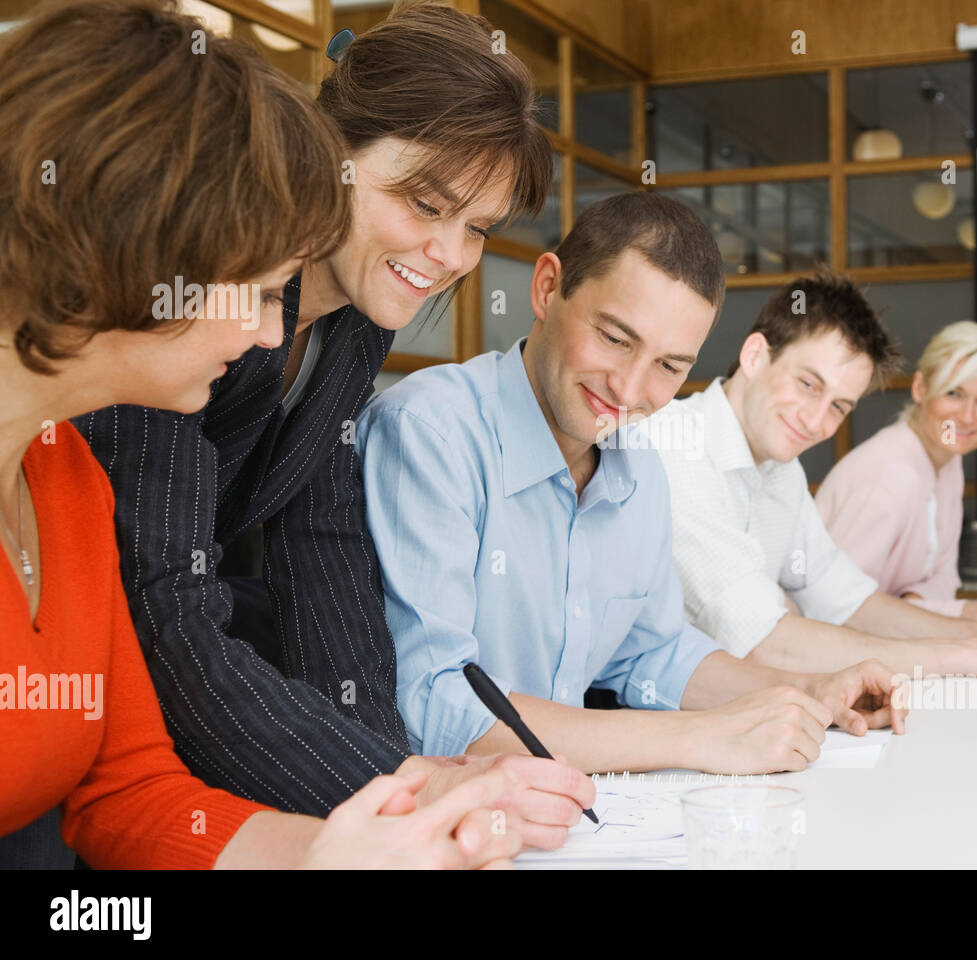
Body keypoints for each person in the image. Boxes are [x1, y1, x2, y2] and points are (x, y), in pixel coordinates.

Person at [0, 0, 579, 869]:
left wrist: (400, 797)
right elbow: (168, 607)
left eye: (479, 228)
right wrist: (400, 791)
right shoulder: (157, 344)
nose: (453, 255)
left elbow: (327, 558)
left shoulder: (69, 478)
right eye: (424, 202)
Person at [356, 194, 907, 776]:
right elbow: (434, 709)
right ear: (546, 289)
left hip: (561, 814)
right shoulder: (430, 433)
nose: (628, 388)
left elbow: (656, 653)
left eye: (670, 366)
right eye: (616, 338)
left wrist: (808, 691)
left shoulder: (640, 470)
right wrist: (699, 738)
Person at [651, 276, 977, 677]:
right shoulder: (677, 447)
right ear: (756, 355)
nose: (816, 422)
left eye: (839, 406)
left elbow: (850, 602)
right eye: (808, 384)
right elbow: (762, 640)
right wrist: (976, 655)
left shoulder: (782, 470)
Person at [818, 320, 977, 624]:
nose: (967, 416)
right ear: (920, 388)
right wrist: (958, 613)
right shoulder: (890, 474)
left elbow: (944, 574)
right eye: (953, 393)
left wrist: (919, 605)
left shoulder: (947, 460)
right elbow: (835, 606)